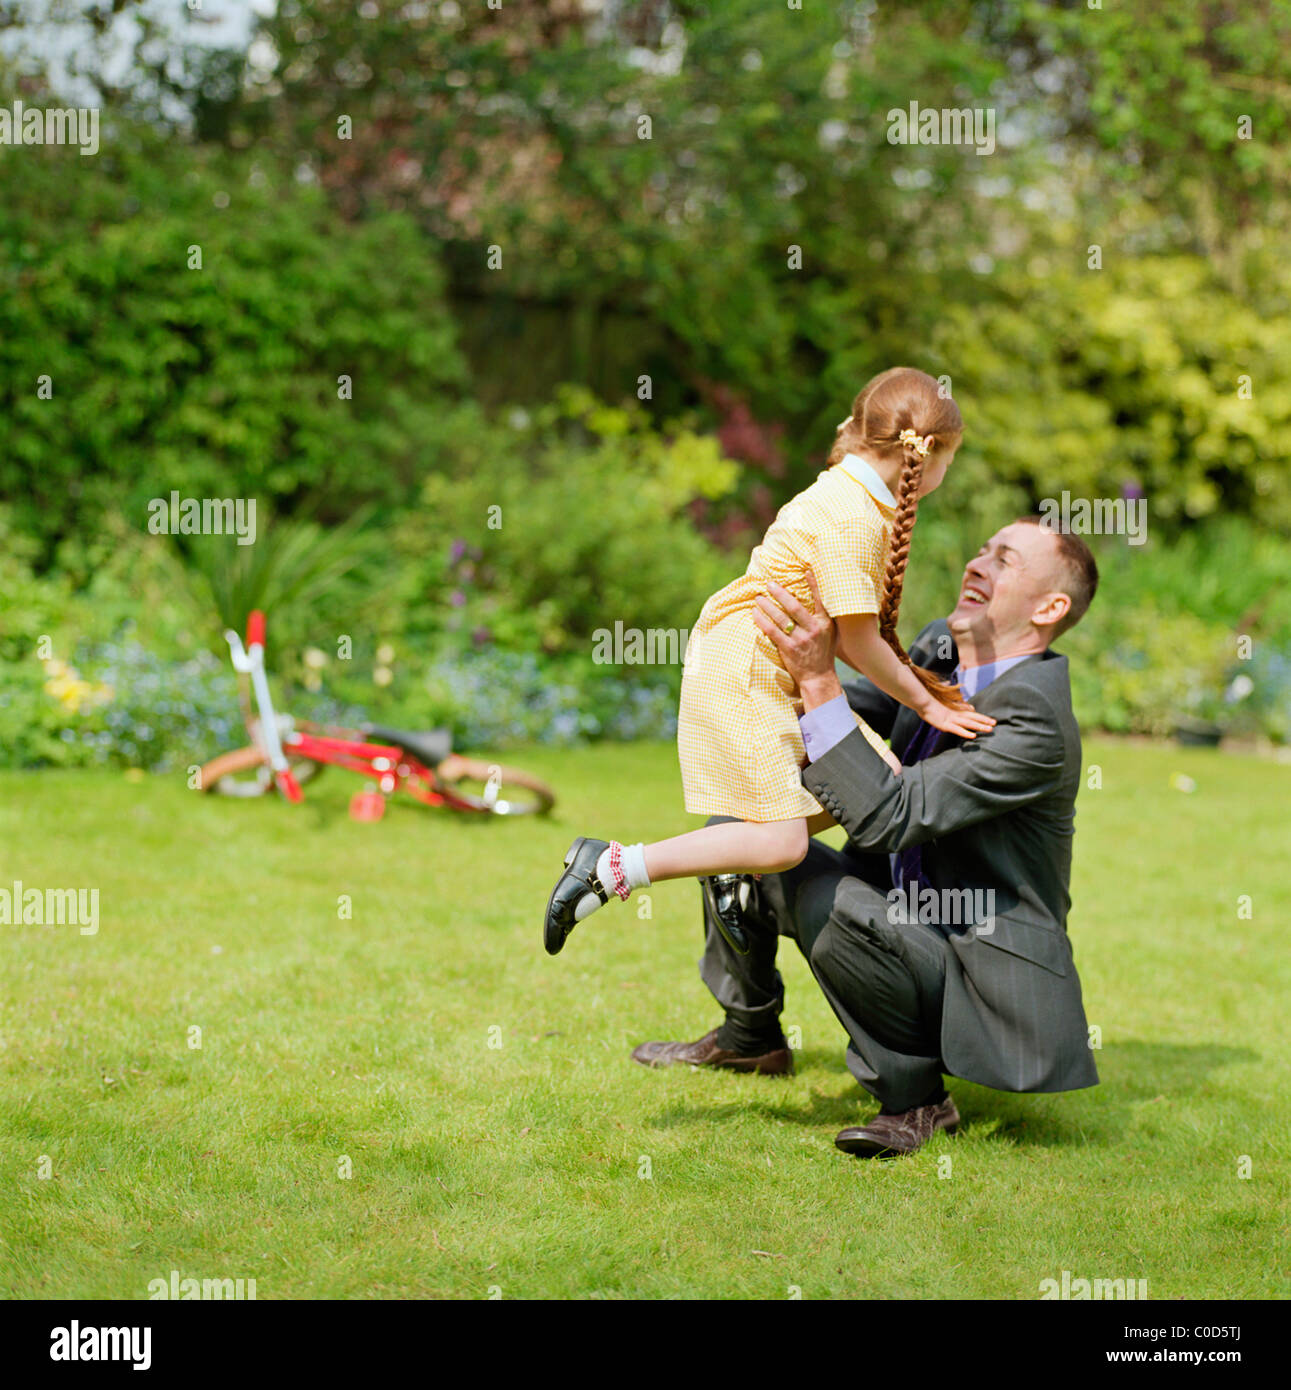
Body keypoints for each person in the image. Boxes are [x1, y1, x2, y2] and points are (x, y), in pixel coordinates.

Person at [630, 517, 1101, 1158]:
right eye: (982, 548)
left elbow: (888, 816)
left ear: (1050, 607)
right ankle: (751, 1038)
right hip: (902, 906)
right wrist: (761, 676)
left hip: (974, 961)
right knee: (734, 839)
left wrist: (819, 680)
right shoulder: (940, 648)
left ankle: (918, 1102)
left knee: (837, 906)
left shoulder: (1035, 722)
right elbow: (854, 718)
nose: (977, 563)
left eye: (1006, 559)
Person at [543, 367, 994, 956]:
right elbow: (858, 646)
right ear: (927, 454)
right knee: (785, 845)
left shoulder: (854, 493)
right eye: (950, 462)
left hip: (765, 656)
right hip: (747, 662)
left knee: (877, 780)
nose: (947, 474)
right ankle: (611, 867)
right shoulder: (853, 517)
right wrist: (927, 702)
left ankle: (732, 861)